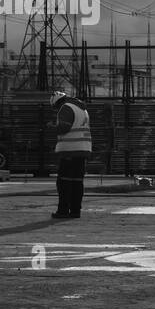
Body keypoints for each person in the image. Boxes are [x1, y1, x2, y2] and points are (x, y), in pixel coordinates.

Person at [50, 91, 92, 219]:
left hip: (70, 149)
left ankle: (63, 211)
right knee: (77, 182)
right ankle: (75, 211)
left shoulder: (66, 107)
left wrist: (52, 127)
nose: (57, 110)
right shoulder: (81, 108)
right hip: (82, 149)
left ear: (56, 102)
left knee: (63, 182)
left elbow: (64, 127)